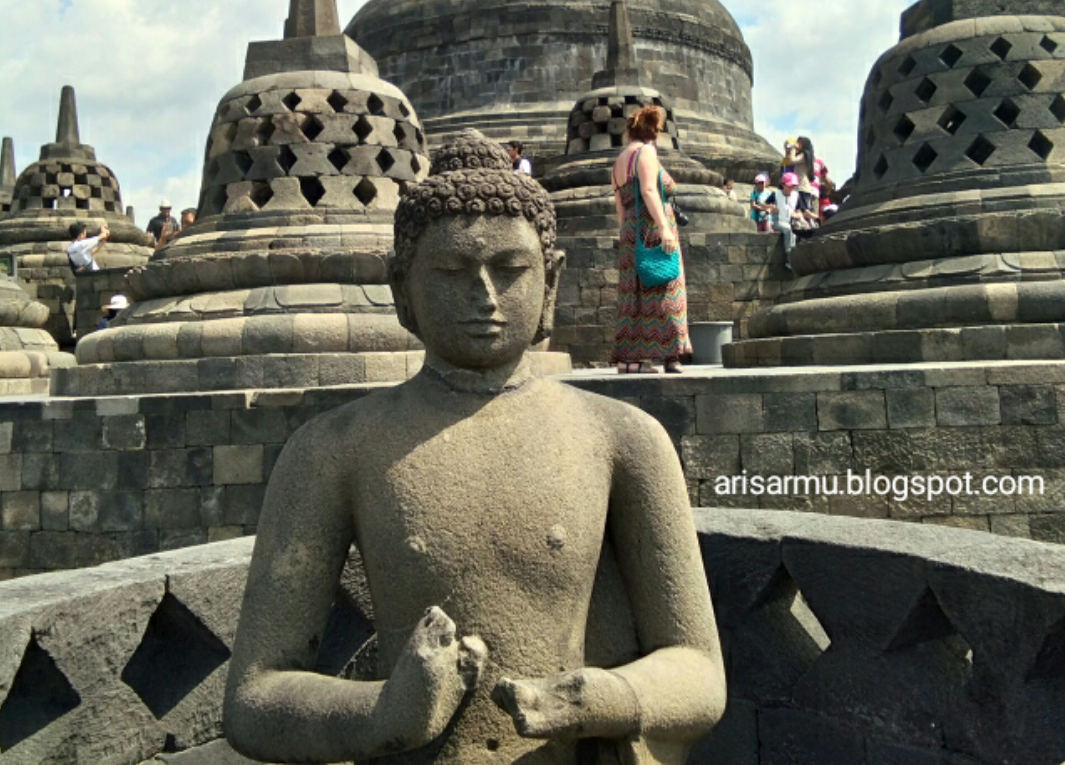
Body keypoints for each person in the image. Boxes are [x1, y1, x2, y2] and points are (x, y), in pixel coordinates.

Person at [223, 131, 725, 764]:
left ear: (552, 283)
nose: (484, 296)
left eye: (511, 271)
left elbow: (700, 672)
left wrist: (609, 697)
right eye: (452, 272)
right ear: (401, 288)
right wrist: (383, 714)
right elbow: (252, 698)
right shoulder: (332, 450)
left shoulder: (622, 439)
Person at [610, 105, 691, 374]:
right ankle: (671, 355)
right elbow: (648, 190)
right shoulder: (646, 152)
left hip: (631, 233)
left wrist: (627, 237)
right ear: (651, 132)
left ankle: (630, 359)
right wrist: (665, 228)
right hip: (652, 227)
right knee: (666, 287)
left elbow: (620, 206)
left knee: (633, 296)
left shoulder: (619, 162)